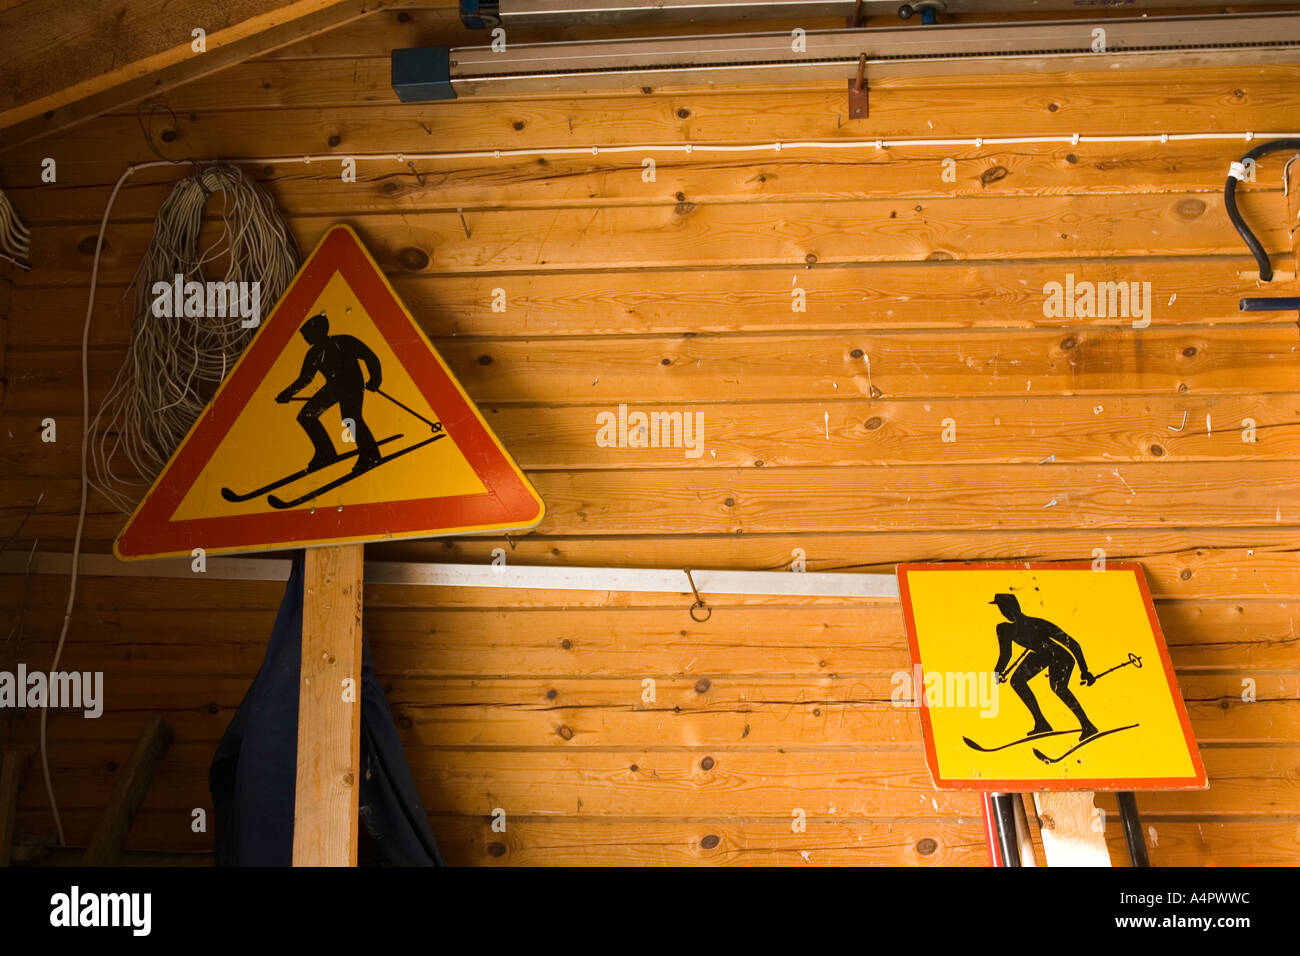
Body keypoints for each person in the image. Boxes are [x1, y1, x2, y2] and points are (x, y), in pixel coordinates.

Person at [275, 313, 382, 474]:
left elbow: (370, 357)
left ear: (319, 332)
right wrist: (287, 394)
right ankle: (326, 453)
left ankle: (371, 455)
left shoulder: (345, 341)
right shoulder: (313, 354)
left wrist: (375, 380)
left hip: (352, 385)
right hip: (334, 387)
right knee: (306, 416)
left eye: (307, 334)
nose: (305, 338)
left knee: (350, 418)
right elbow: (305, 379)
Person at [989, 593, 1099, 741]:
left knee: (1058, 688)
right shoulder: (1004, 629)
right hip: (1041, 656)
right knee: (1017, 681)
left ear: (1011, 608)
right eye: (1001, 608)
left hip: (1059, 656)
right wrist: (997, 672)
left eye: (1004, 607)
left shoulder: (1036, 624)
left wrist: (1084, 670)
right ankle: (1041, 723)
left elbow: (1072, 644)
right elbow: (1006, 654)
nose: (1003, 611)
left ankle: (1087, 725)